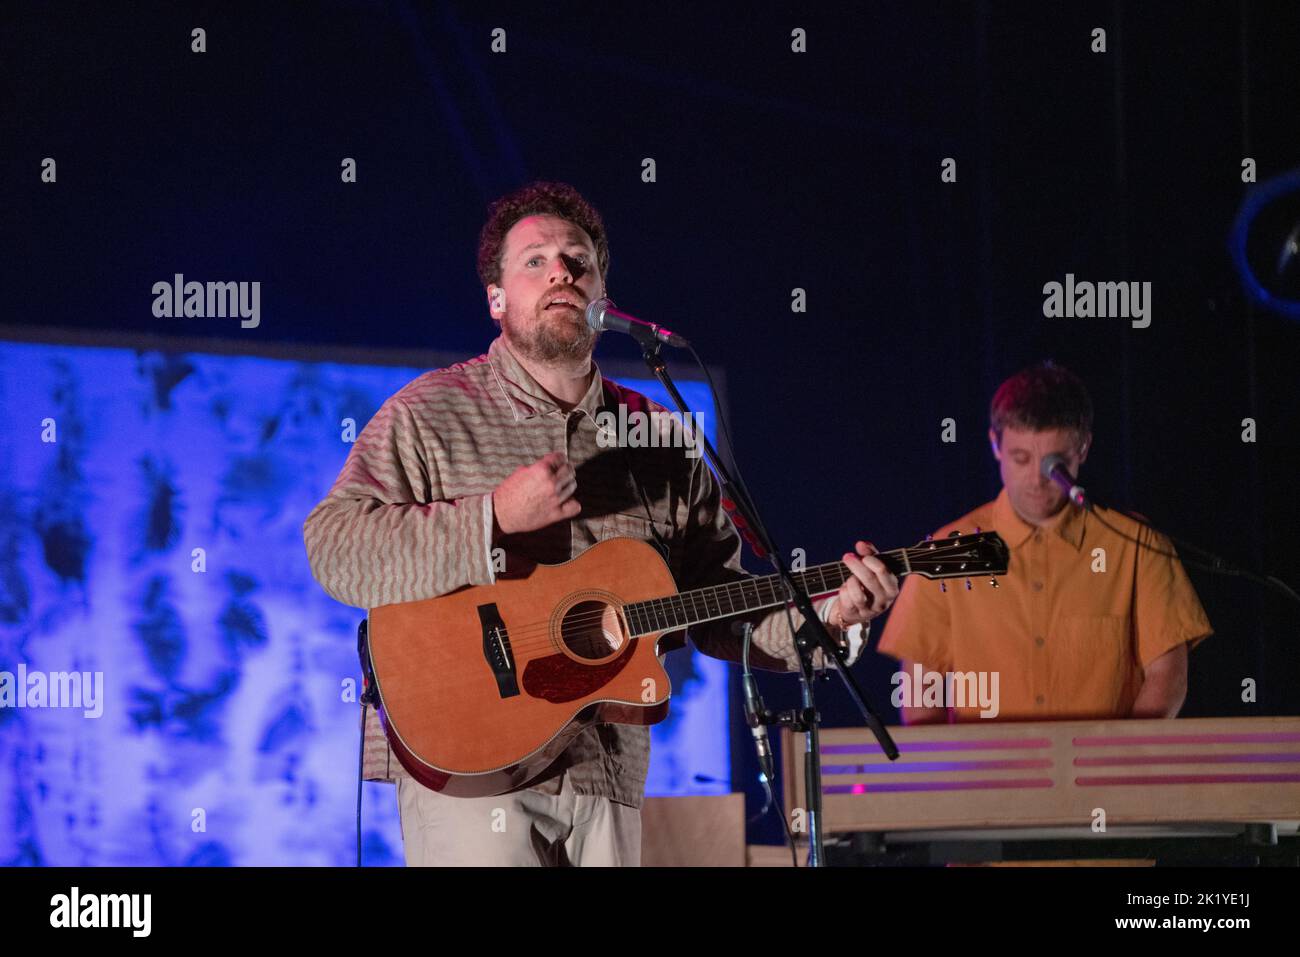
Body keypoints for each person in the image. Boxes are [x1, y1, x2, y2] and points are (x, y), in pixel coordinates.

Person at [303, 180, 899, 866]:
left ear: (602, 296)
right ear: (495, 299)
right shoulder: (430, 412)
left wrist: (835, 615)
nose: (561, 269)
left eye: (578, 260)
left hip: (609, 771)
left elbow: (720, 611)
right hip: (469, 767)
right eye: (535, 260)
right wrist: (492, 519)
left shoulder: (660, 437)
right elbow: (334, 548)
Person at [877, 361, 1212, 724]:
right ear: (995, 445)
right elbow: (921, 693)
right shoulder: (943, 552)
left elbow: (1168, 675)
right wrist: (955, 775)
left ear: (1083, 448)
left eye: (1055, 463)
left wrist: (1119, 766)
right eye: (1021, 458)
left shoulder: (1137, 544)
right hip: (986, 778)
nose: (1037, 479)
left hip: (1101, 778)